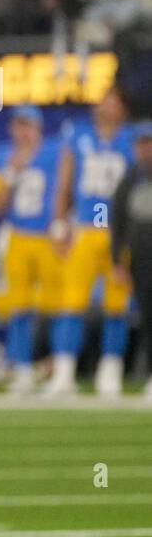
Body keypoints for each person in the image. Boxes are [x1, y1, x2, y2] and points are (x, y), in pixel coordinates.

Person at [45, 86, 134, 397]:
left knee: (117, 306)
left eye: (114, 102)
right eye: (104, 101)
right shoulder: (78, 136)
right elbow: (63, 183)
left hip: (118, 232)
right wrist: (59, 225)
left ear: (123, 108)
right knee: (71, 303)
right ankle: (64, 372)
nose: (107, 108)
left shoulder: (133, 139)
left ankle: (110, 372)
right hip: (85, 228)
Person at [0, 105, 62, 395]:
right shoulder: (3, 156)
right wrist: (11, 172)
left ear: (39, 128)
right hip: (17, 236)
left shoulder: (57, 152)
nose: (23, 132)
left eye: (28, 125)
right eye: (18, 125)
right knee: (18, 307)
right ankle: (22, 368)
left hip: (50, 237)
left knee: (58, 306)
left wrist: (65, 225)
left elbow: (69, 189)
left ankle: (60, 369)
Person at [110, 120, 152, 401]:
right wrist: (117, 261)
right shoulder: (130, 177)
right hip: (140, 258)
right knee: (147, 317)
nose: (146, 149)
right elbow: (117, 222)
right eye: (141, 143)